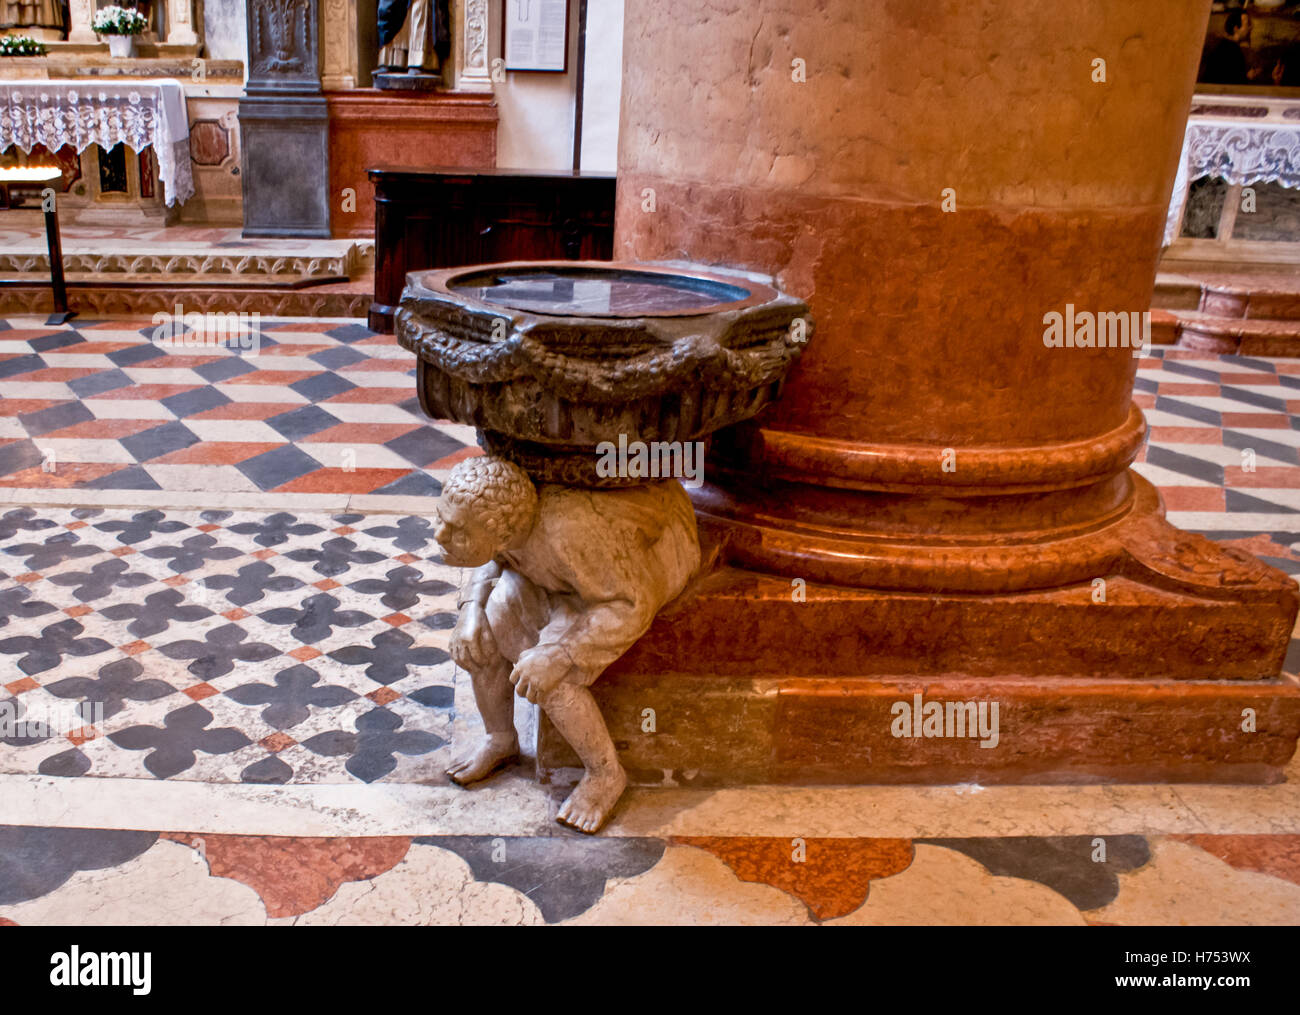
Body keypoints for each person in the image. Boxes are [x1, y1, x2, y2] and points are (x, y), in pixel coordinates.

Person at [434, 455, 700, 833]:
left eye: (457, 533)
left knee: (547, 675)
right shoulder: (506, 523)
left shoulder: (570, 536)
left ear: (503, 532)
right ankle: (500, 738)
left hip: (626, 582)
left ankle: (605, 774)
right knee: (482, 636)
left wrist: (560, 654)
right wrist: (471, 608)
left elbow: (630, 603)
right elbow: (493, 555)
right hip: (562, 578)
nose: (439, 536)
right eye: (441, 520)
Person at [1201, 10, 1253, 85]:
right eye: (1247, 24)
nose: (1250, 28)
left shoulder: (1222, 45)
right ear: (1236, 29)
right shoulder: (1233, 50)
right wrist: (1248, 77)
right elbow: (1235, 81)